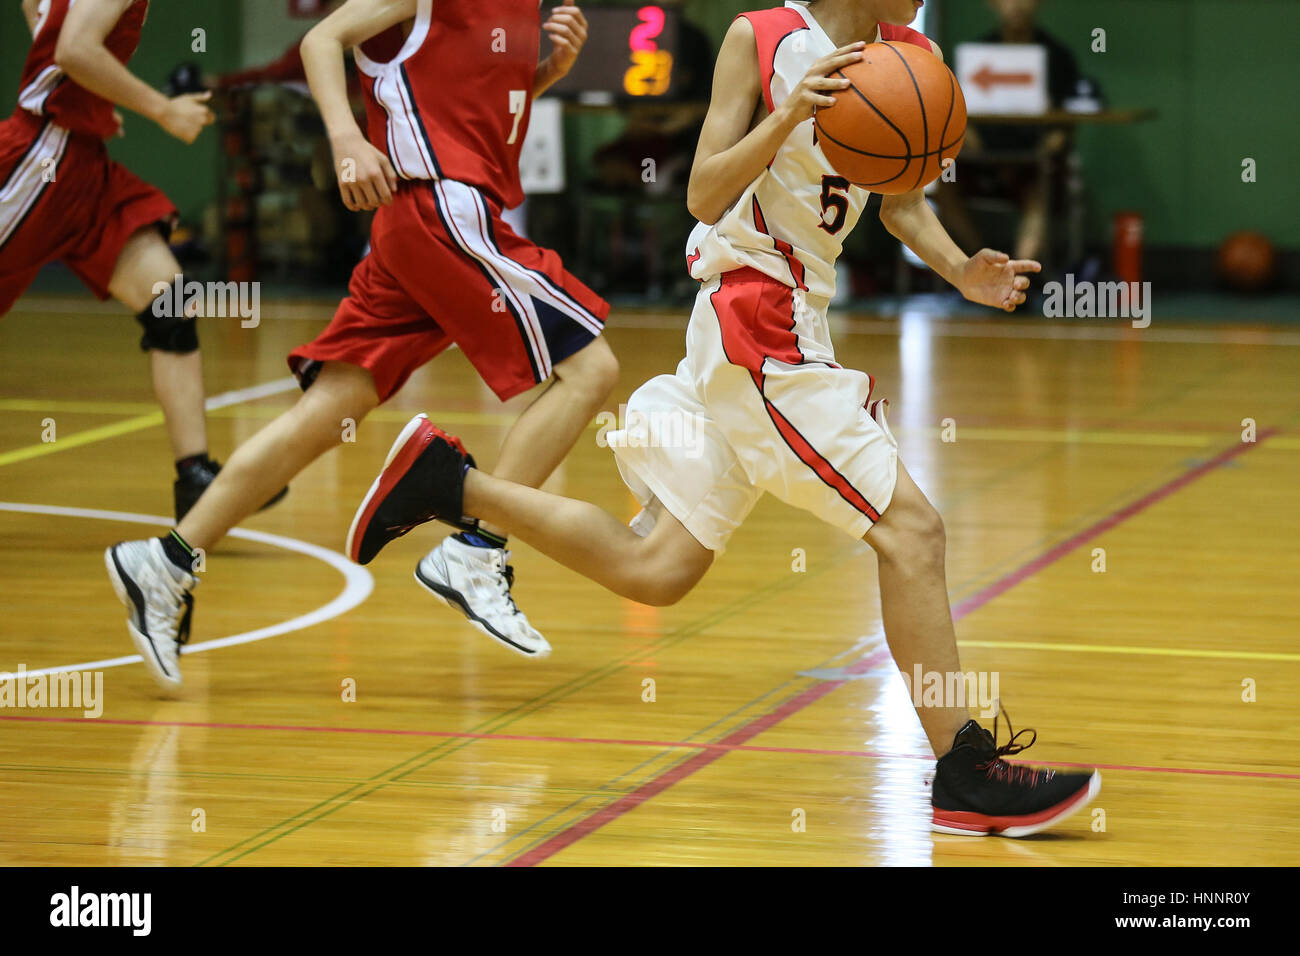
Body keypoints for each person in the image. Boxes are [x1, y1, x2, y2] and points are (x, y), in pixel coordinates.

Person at [349, 0, 1101, 837]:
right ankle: (965, 769)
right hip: (759, 320)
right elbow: (705, 194)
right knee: (912, 532)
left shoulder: (909, 52)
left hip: (780, 324)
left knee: (658, 568)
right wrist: (786, 115)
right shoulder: (764, 37)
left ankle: (450, 483)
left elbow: (900, 200)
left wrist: (960, 270)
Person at [104, 0, 618, 690]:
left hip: (426, 225)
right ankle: (477, 549)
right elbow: (323, 39)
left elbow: (470, 107)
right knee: (590, 370)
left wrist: (549, 71)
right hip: (441, 210)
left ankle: (166, 560)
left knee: (329, 410)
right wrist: (346, 139)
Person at [1, 0, 280, 519]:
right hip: (38, 163)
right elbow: (74, 49)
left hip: (81, 164)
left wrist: (88, 100)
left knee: (170, 302)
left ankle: (194, 477)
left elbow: (42, 14)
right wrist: (162, 108)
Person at [936, 0, 1082, 264]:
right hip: (979, 161)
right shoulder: (977, 54)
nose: (1016, 5)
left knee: (1039, 192)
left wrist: (1051, 143)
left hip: (1032, 164)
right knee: (944, 184)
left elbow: (1068, 118)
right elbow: (955, 109)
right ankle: (980, 263)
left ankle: (1019, 271)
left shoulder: (1059, 58)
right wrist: (966, 134)